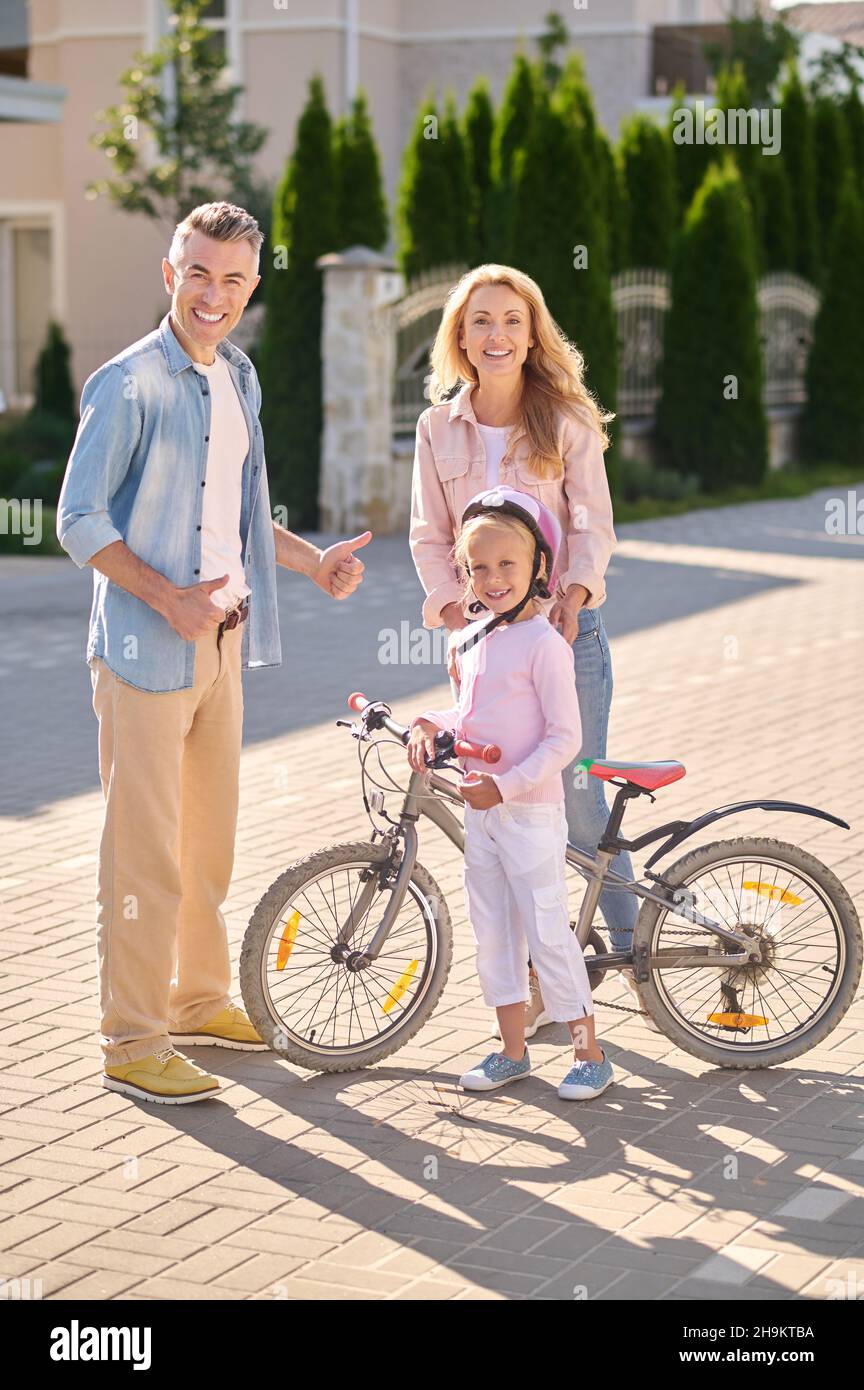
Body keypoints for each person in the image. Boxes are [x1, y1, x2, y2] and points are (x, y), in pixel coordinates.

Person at [56, 201, 372, 1104]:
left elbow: (236, 509)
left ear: (252, 289)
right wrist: (165, 598)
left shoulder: (238, 374)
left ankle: (197, 1000)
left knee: (207, 849)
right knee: (143, 852)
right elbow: (77, 523)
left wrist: (312, 563)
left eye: (232, 278)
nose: (213, 293)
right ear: (170, 274)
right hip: (143, 654)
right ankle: (131, 1037)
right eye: (198, 272)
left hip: (222, 649)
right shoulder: (127, 383)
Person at [409, 263, 645, 1036]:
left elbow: (592, 526)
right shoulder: (438, 429)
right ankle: (547, 985)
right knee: (504, 814)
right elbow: (430, 534)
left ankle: (633, 958)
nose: (497, 335)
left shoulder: (565, 419)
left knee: (573, 801)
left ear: (532, 331)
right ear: (461, 338)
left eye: (512, 320)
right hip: (484, 651)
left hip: (561, 640)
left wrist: (572, 597)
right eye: (481, 321)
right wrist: (452, 614)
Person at [408, 487, 613, 1100]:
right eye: (479, 567)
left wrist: (506, 785)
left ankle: (590, 1054)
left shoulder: (547, 645)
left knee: (547, 932)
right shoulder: (469, 641)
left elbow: (564, 738)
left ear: (538, 570)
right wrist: (430, 724)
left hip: (528, 814)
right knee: (493, 931)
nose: (492, 579)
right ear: (463, 573)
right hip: (484, 817)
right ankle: (511, 1050)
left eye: (507, 565)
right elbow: (471, 721)